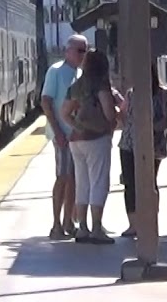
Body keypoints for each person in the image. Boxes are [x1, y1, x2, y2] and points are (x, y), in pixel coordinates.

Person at [62, 49, 123, 244]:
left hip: (76, 141)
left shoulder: (76, 85)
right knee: (98, 181)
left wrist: (78, 125)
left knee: (82, 183)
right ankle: (97, 227)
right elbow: (109, 114)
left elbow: (64, 113)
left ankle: (82, 228)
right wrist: (113, 120)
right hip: (97, 139)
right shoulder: (101, 85)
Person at [117, 60, 167, 236]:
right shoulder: (131, 94)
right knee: (130, 184)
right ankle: (134, 225)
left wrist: (151, 127)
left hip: (152, 144)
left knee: (149, 183)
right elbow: (123, 113)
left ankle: (150, 221)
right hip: (128, 144)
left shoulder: (163, 94)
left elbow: (166, 119)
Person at [41, 34, 85, 240]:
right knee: (63, 177)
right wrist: (57, 131)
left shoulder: (81, 74)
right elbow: (46, 101)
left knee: (73, 179)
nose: (82, 55)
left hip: (76, 136)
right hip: (63, 135)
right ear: (68, 51)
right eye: (79, 51)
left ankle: (69, 221)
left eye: (85, 51)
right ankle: (56, 224)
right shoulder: (56, 72)